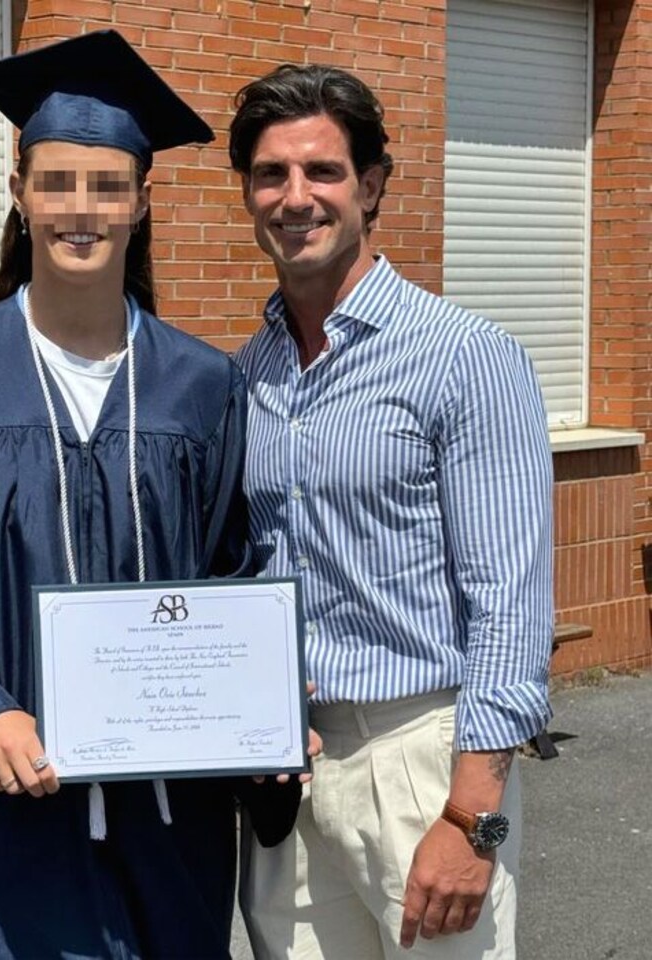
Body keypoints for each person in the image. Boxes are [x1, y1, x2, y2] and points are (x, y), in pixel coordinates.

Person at [0, 30, 301, 960]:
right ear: (19, 195)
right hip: (0, 819)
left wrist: (267, 701)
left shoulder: (201, 387)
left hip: (169, 823)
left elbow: (237, 569)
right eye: (56, 182)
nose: (81, 209)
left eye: (108, 185)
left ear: (143, 205)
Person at [230, 64, 554, 959]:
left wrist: (474, 817)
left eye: (323, 172)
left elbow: (509, 604)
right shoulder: (246, 373)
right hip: (285, 771)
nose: (296, 198)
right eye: (270, 174)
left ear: (371, 186)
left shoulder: (465, 358)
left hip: (419, 758)